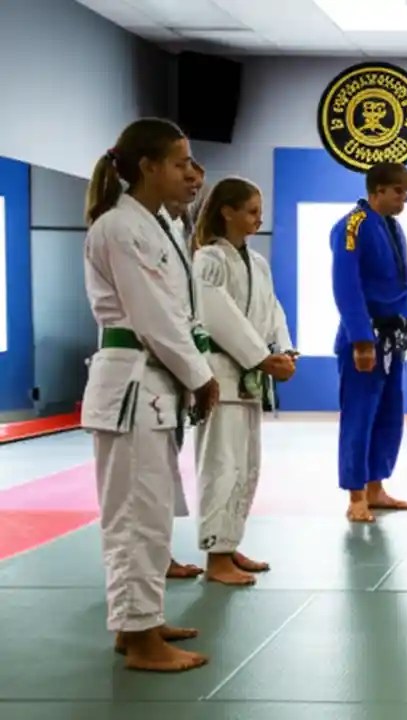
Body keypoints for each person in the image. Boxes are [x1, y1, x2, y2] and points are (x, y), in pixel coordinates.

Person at [81, 117, 217, 671]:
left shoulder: (156, 224)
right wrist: (200, 374)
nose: (191, 171)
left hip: (152, 383)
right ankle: (139, 639)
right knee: (135, 515)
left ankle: (141, 620)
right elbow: (153, 316)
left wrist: (191, 369)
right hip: (134, 379)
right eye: (181, 161)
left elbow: (178, 311)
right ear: (148, 167)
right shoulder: (119, 228)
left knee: (152, 511)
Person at [191, 177, 296, 585]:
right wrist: (262, 356)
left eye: (260, 211)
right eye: (251, 211)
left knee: (247, 466)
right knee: (222, 465)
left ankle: (230, 544)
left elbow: (273, 311)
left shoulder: (258, 263)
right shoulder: (207, 259)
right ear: (226, 211)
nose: (258, 219)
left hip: (252, 378)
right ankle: (215, 556)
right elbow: (217, 315)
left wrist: (285, 350)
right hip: (222, 373)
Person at [331, 162, 407, 523]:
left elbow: (402, 285)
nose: (404, 197)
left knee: (389, 415)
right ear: (377, 189)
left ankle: (376, 487)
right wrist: (361, 340)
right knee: (360, 415)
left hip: (394, 337)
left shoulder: (393, 228)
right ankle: (355, 496)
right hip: (364, 338)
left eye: (406, 191)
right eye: (398, 190)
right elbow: (345, 285)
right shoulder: (353, 226)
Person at [157, 159, 206, 580]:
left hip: (172, 369)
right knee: (144, 488)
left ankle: (162, 555)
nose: (193, 186)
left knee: (164, 471)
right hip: (148, 367)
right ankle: (135, 624)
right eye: (186, 175)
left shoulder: (176, 232)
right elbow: (158, 318)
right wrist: (199, 375)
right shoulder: (130, 228)